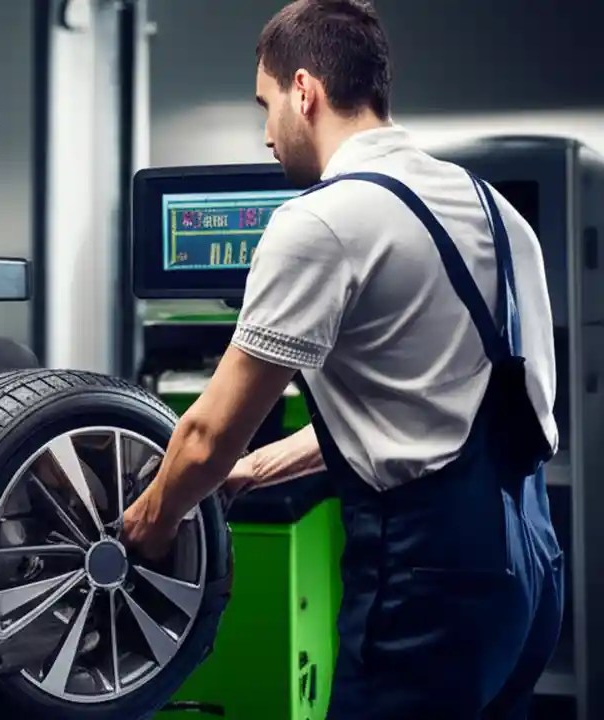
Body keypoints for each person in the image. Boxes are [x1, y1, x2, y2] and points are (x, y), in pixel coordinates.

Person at [121, 0, 564, 716]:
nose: (266, 135)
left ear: (305, 91)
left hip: (429, 581)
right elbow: (423, 412)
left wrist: (151, 520)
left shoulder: (321, 220)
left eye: (265, 106)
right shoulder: (496, 212)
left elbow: (205, 434)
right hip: (531, 574)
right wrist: (256, 469)